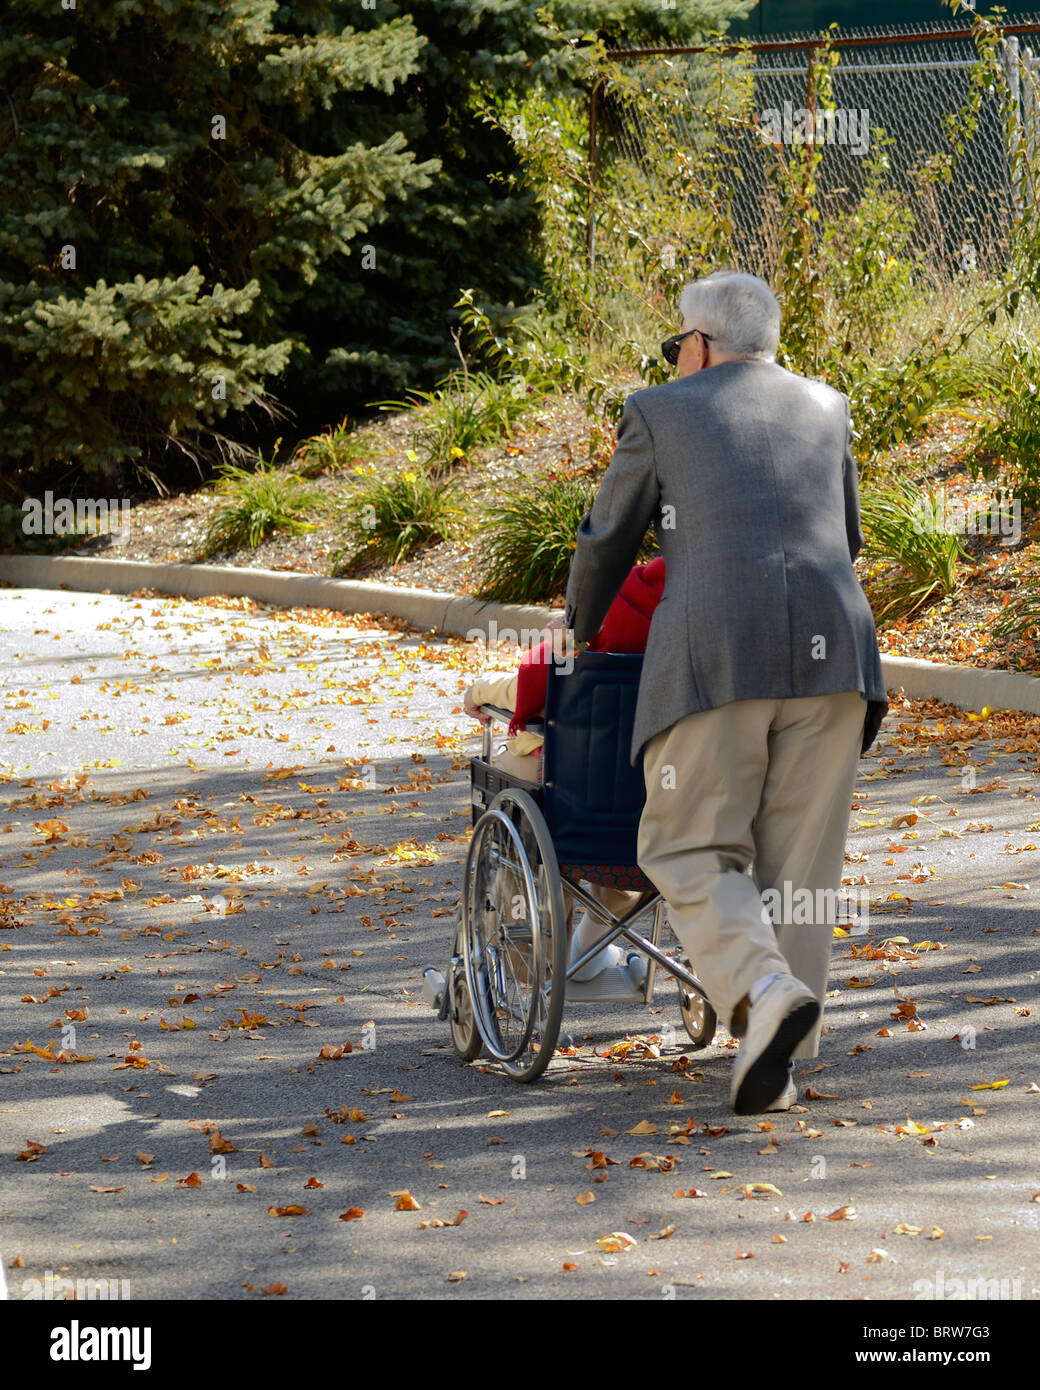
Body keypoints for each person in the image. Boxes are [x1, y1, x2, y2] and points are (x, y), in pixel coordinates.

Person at [562, 270, 888, 1114]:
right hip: (837, 661)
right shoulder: (829, 406)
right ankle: (780, 1058)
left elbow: (606, 540)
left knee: (688, 848)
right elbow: (845, 535)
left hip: (716, 658)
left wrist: (577, 629)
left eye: (679, 346)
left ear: (702, 345)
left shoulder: (661, 412)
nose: (675, 361)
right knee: (801, 869)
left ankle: (765, 992)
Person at [464, 558, 665, 985]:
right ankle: (589, 950)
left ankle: (526, 963)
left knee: (510, 793)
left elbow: (528, 688)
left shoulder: (590, 622)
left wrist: (479, 691)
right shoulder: (691, 623)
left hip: (570, 793)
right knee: (633, 831)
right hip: (658, 796)